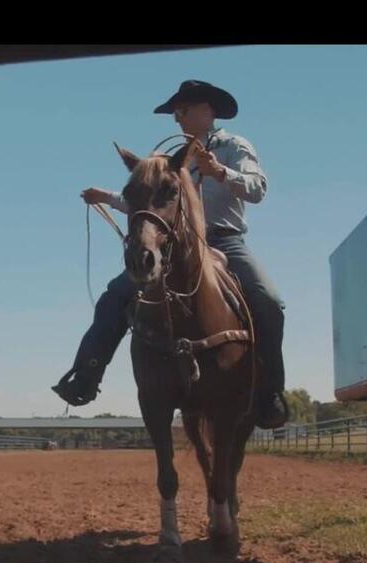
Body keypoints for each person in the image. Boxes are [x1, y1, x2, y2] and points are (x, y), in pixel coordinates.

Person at [52, 80, 288, 429]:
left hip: (224, 241)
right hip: (175, 246)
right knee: (115, 295)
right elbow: (150, 205)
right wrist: (107, 197)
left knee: (269, 301)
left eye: (184, 110)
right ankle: (86, 374)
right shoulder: (163, 161)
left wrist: (220, 172)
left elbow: (258, 188)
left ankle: (269, 393)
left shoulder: (234, 146)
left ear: (207, 111)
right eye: (176, 112)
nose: (177, 118)